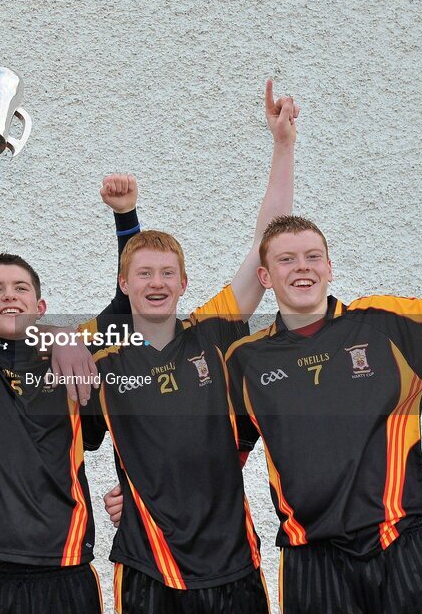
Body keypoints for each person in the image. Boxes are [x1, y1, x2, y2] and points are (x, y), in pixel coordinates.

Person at [225, 172, 422, 614]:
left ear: (330, 267)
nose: (302, 267)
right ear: (264, 275)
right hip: (311, 561)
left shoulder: (387, 324)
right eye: (286, 260)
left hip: (402, 547)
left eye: (313, 256)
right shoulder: (245, 360)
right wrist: (141, 497)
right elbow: (221, 458)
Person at [85, 81, 297, 614]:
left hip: (232, 562)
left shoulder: (214, 332)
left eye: (167, 274)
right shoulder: (100, 353)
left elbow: (265, 245)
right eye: (143, 274)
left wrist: (283, 146)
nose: (156, 283)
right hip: (146, 563)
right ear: (124, 284)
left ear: (183, 284)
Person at [0, 172, 143, 614]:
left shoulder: (74, 354)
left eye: (21, 288)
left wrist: (125, 218)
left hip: (65, 564)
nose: (9, 296)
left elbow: (130, 306)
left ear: (40, 307)